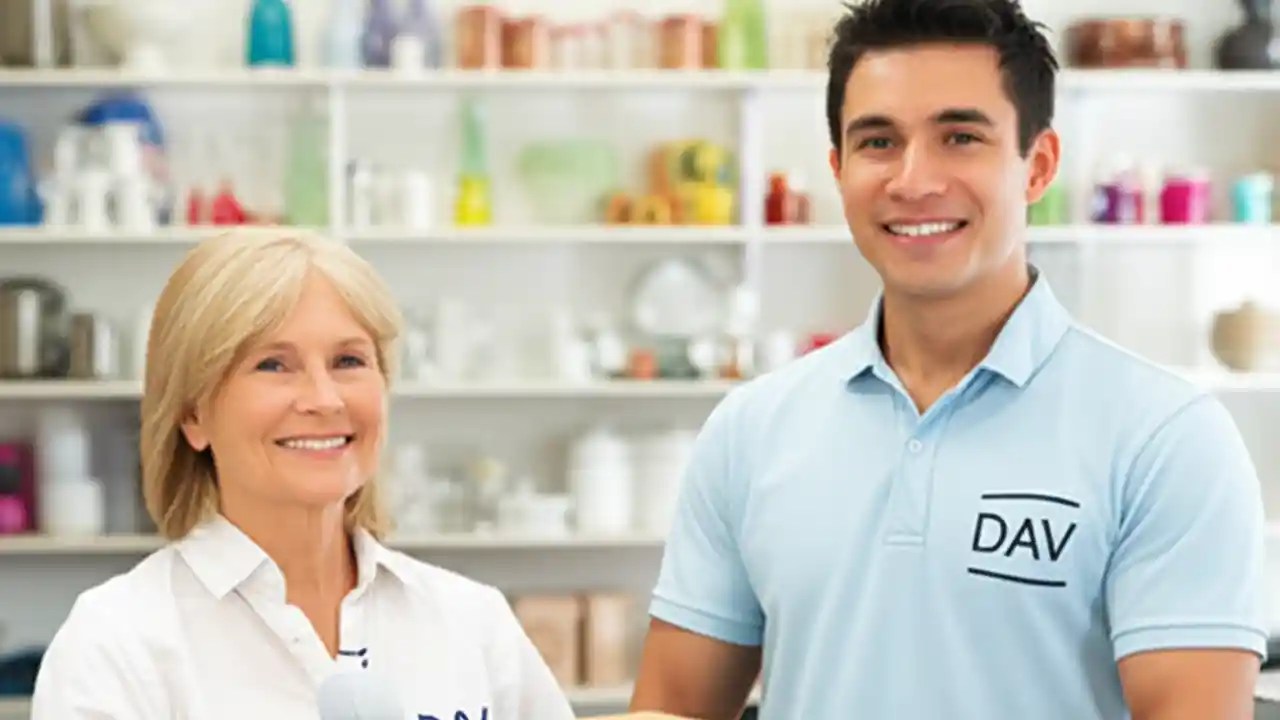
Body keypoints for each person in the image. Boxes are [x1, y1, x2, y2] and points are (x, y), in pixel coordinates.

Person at [629, 1, 1268, 718]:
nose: (913, 180)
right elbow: (675, 708)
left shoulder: (1164, 438)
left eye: (960, 136)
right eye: (878, 142)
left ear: (1038, 165)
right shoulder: (750, 429)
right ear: (838, 170)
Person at [31, 229, 576, 719]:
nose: (324, 399)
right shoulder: (118, 640)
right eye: (273, 365)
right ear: (193, 415)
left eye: (349, 361)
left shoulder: (471, 619)